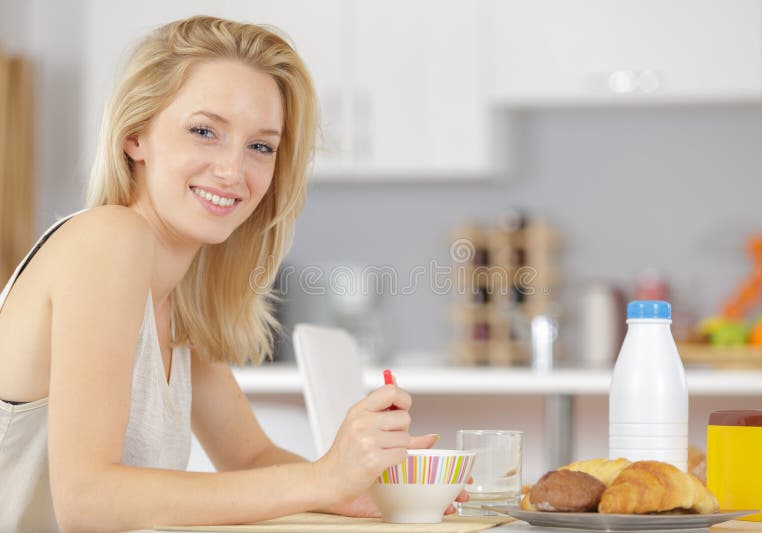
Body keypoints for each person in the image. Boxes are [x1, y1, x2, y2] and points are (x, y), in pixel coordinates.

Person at [0, 16, 467, 532]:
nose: (233, 171)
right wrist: (322, 479)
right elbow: (88, 500)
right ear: (135, 136)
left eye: (260, 146)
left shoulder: (179, 298)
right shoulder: (108, 239)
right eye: (204, 132)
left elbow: (249, 457)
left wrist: (361, 491)